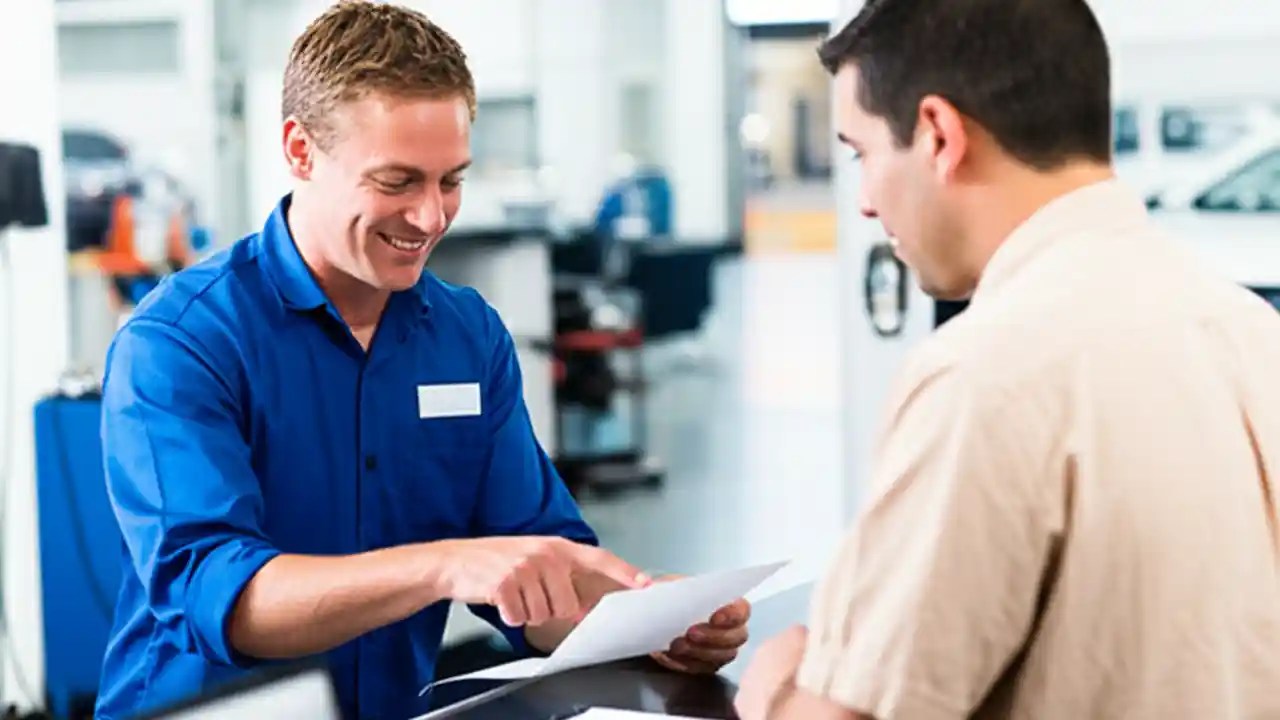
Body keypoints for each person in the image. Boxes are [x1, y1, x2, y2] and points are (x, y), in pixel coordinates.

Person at [94, 3, 748, 719]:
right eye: (397, 181)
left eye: (451, 180)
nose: (432, 217)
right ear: (301, 151)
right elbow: (223, 599)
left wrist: (649, 620)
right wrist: (444, 565)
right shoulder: (181, 343)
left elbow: (535, 575)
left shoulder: (468, 338)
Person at [735, 1, 1280, 718]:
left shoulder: (985, 377)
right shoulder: (1248, 329)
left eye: (862, 154)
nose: (864, 202)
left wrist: (772, 685)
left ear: (938, 135)